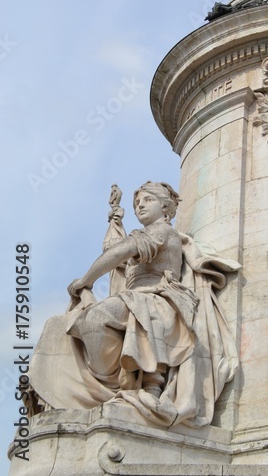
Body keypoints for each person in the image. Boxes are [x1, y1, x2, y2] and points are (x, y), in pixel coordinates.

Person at [29, 182, 239, 428]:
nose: (139, 204)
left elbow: (120, 253)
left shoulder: (164, 232)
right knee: (61, 326)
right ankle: (107, 387)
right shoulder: (145, 235)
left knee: (96, 318)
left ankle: (111, 385)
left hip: (160, 299)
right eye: (137, 202)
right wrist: (115, 215)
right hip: (137, 298)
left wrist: (85, 281)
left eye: (147, 199)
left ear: (166, 208)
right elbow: (114, 250)